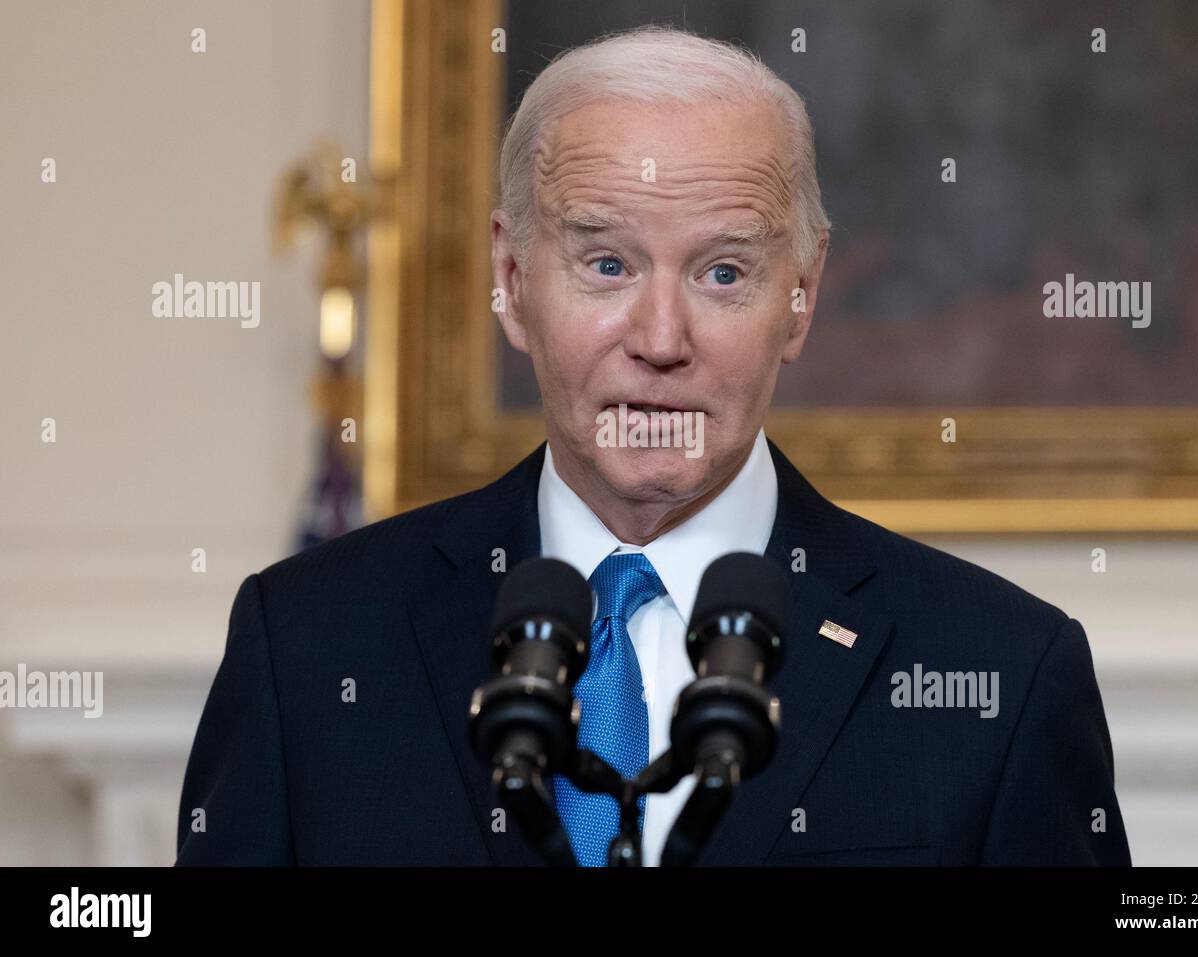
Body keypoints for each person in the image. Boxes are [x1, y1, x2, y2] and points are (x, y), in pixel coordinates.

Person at [176, 25, 1130, 866]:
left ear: (800, 296)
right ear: (511, 280)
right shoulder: (304, 646)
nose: (661, 340)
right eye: (606, 264)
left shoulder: (1001, 673)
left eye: (723, 272)